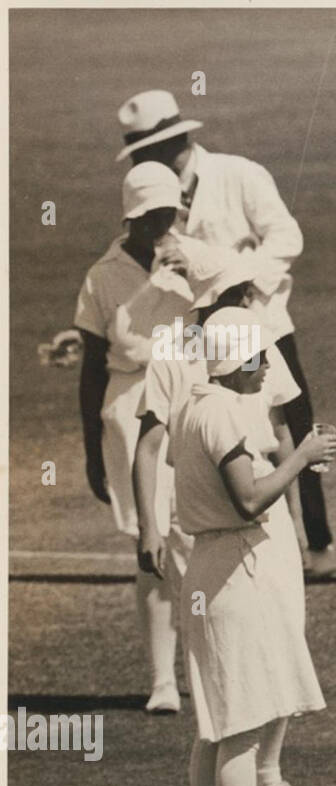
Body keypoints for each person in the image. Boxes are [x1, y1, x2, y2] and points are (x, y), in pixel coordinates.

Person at [114, 88, 336, 579]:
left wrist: (227, 273)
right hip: (197, 336)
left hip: (263, 323)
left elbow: (287, 237)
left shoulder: (239, 174)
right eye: (143, 154)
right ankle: (226, 524)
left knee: (292, 427)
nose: (152, 162)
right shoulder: (156, 199)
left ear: (180, 138)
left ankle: (317, 544)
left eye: (155, 150)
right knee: (220, 427)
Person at [134, 263, 315, 786]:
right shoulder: (183, 360)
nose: (246, 300)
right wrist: (148, 526)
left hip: (264, 510)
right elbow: (150, 446)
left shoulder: (255, 342)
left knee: (282, 641)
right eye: (236, 293)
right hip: (221, 511)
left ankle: (267, 776)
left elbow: (282, 433)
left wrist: (301, 521)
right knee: (229, 676)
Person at [168, 309, 336, 786]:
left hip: (213, 568)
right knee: (237, 727)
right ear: (238, 361)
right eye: (260, 357)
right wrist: (301, 457)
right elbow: (247, 499)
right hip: (232, 572)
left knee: (216, 731)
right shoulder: (217, 411)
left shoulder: (194, 406)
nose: (267, 367)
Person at [77, 161, 198, 713]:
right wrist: (90, 452)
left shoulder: (196, 257)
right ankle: (162, 680)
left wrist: (195, 274)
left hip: (189, 402)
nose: (158, 223)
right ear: (130, 216)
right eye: (147, 214)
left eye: (166, 212)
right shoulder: (102, 275)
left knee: (194, 537)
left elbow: (231, 320)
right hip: (128, 412)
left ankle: (202, 665)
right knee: (149, 545)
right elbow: (91, 368)